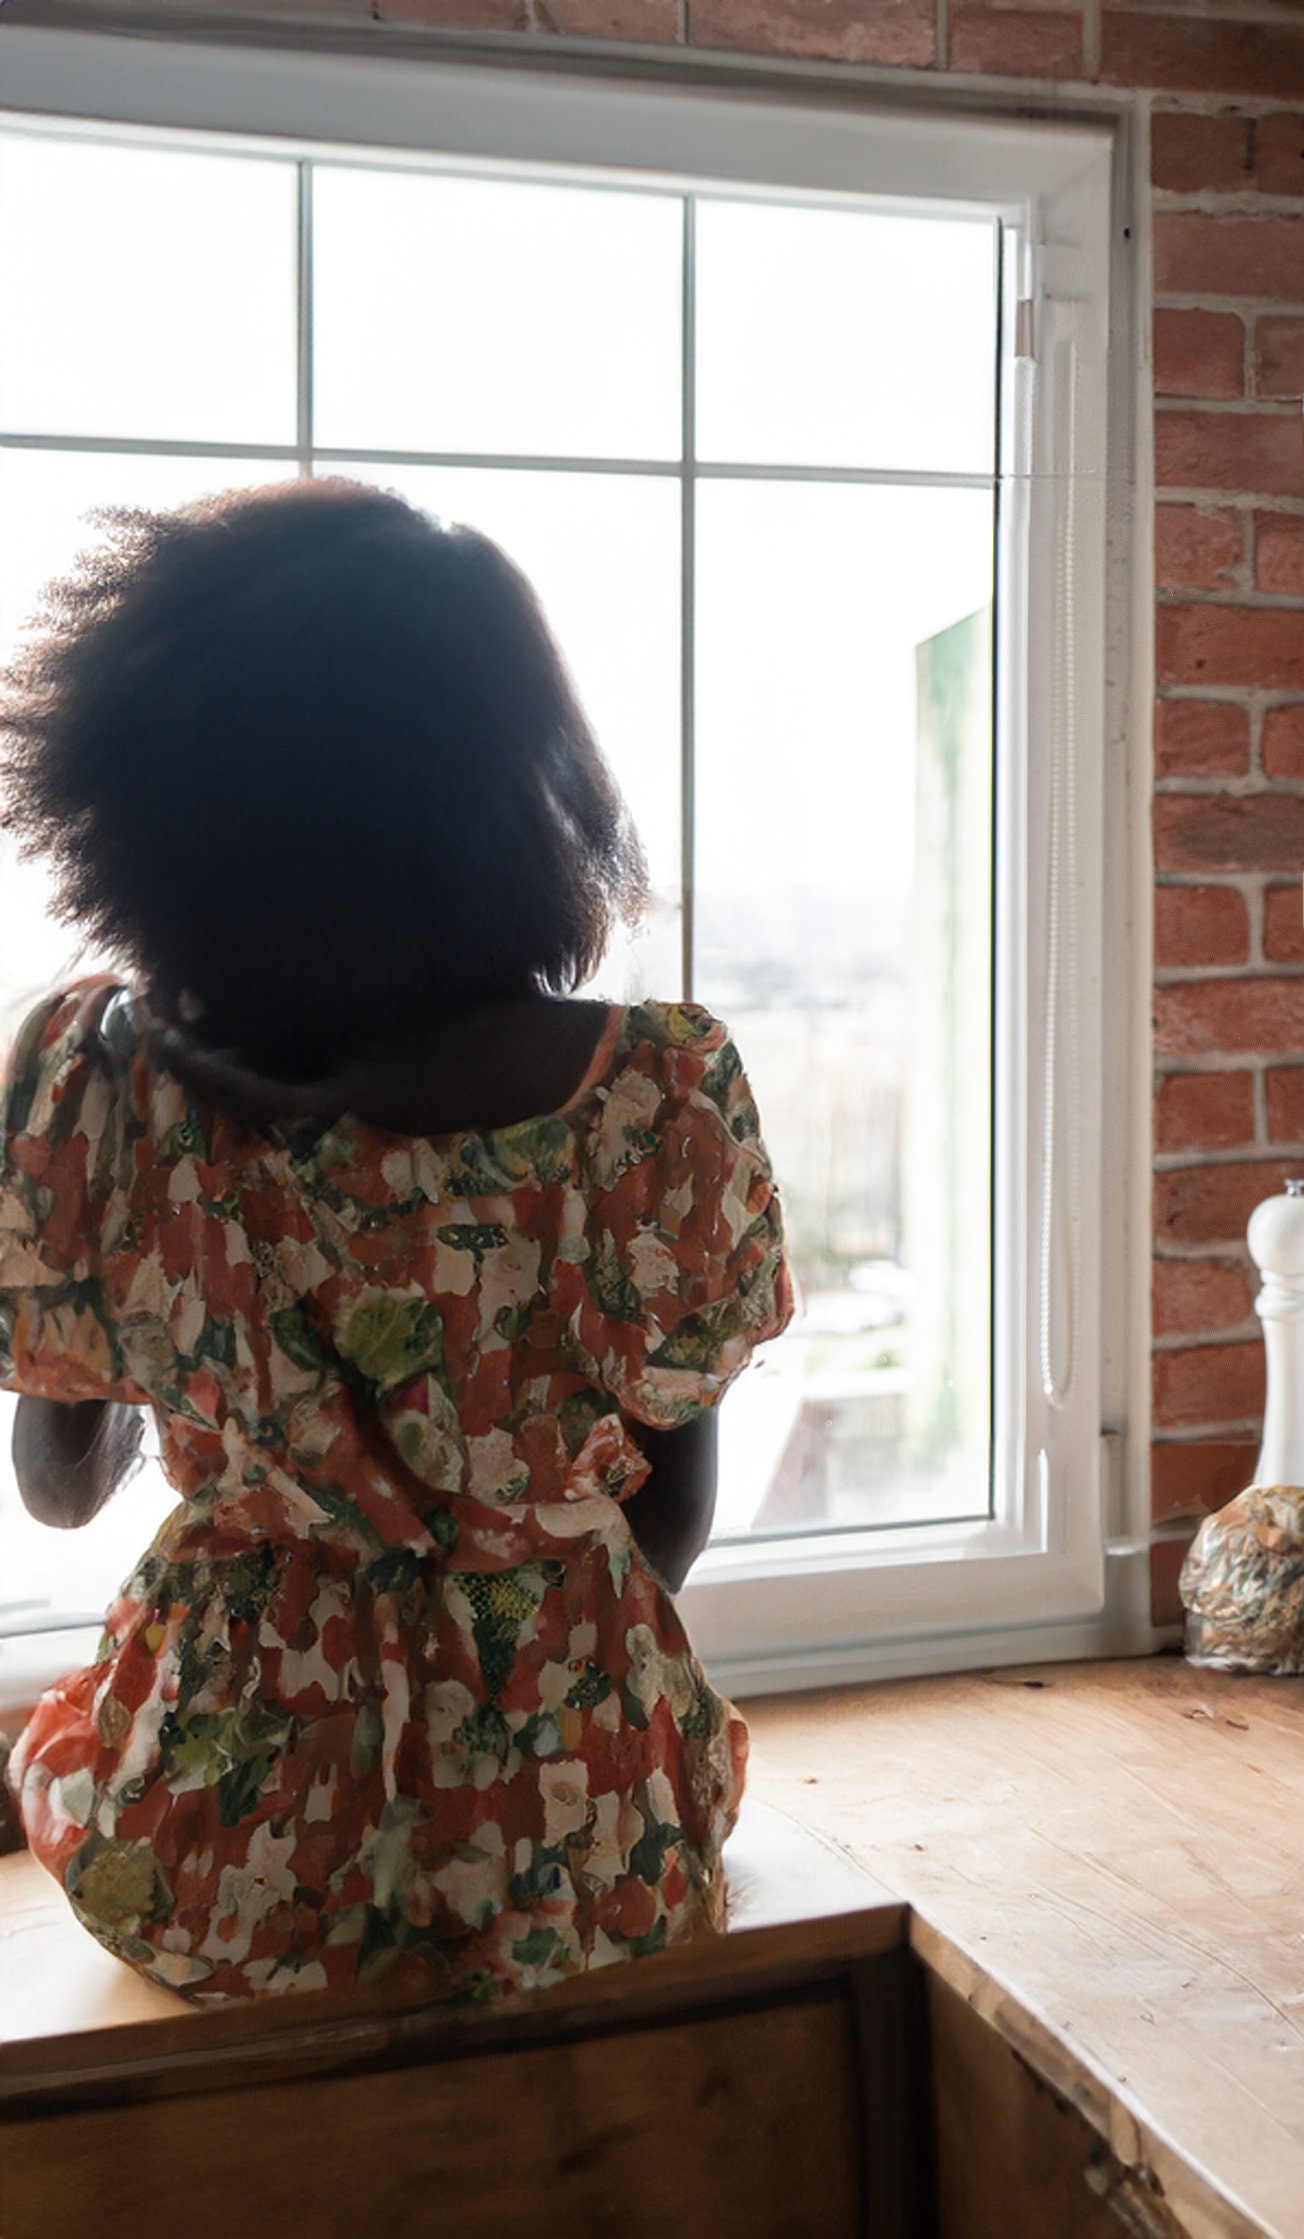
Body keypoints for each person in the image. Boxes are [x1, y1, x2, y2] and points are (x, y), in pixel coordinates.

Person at [0, 481, 792, 2002]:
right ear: (526, 782)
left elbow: (51, 1491)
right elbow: (667, 1521)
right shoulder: (656, 1094)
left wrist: (206, 1353)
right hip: (588, 1837)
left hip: (222, 1857)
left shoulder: (95, 1083)